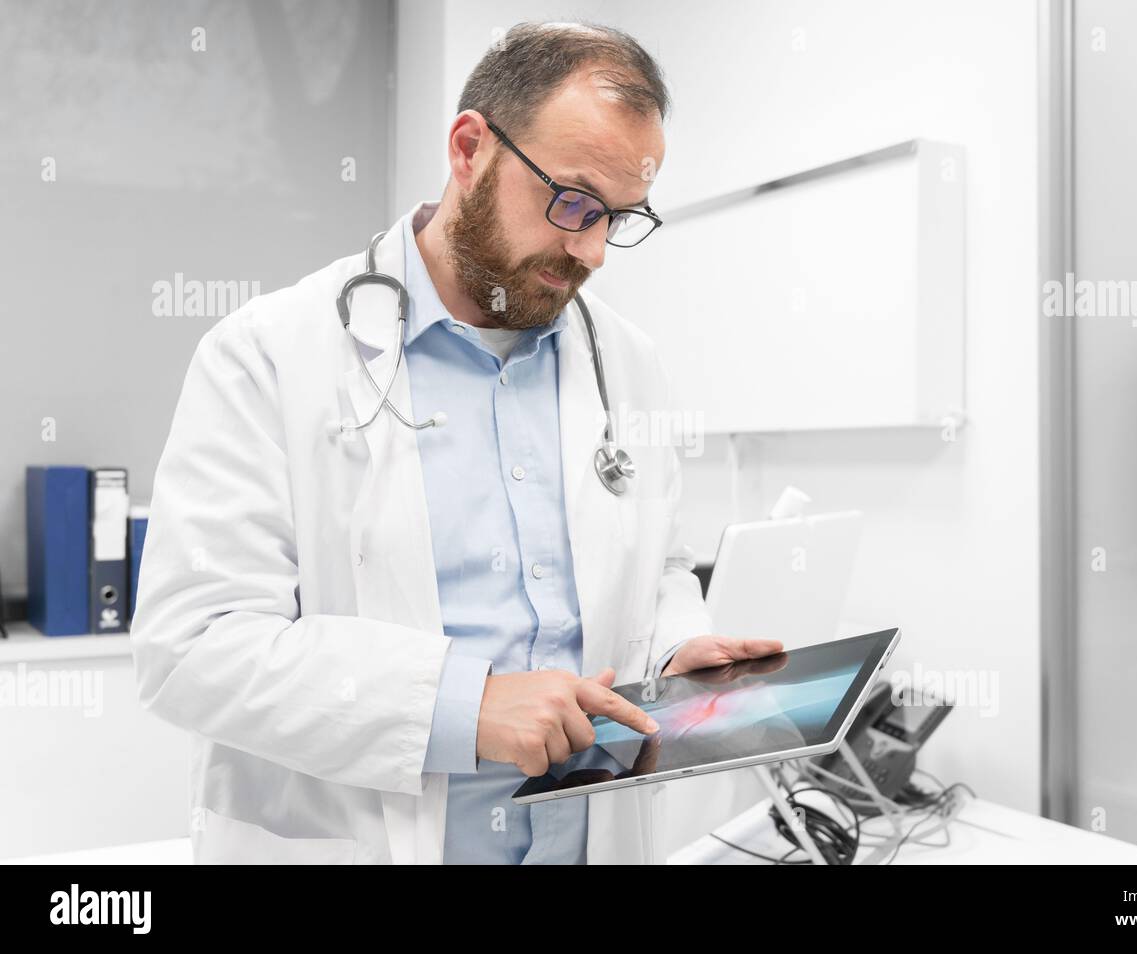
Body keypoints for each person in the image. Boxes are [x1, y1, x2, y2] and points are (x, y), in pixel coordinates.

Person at [131, 20, 781, 864]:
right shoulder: (267, 352)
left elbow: (657, 568)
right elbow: (193, 648)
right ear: (471, 147)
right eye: (573, 201)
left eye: (617, 219)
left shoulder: (627, 363)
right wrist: (459, 706)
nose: (590, 250)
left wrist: (677, 648)